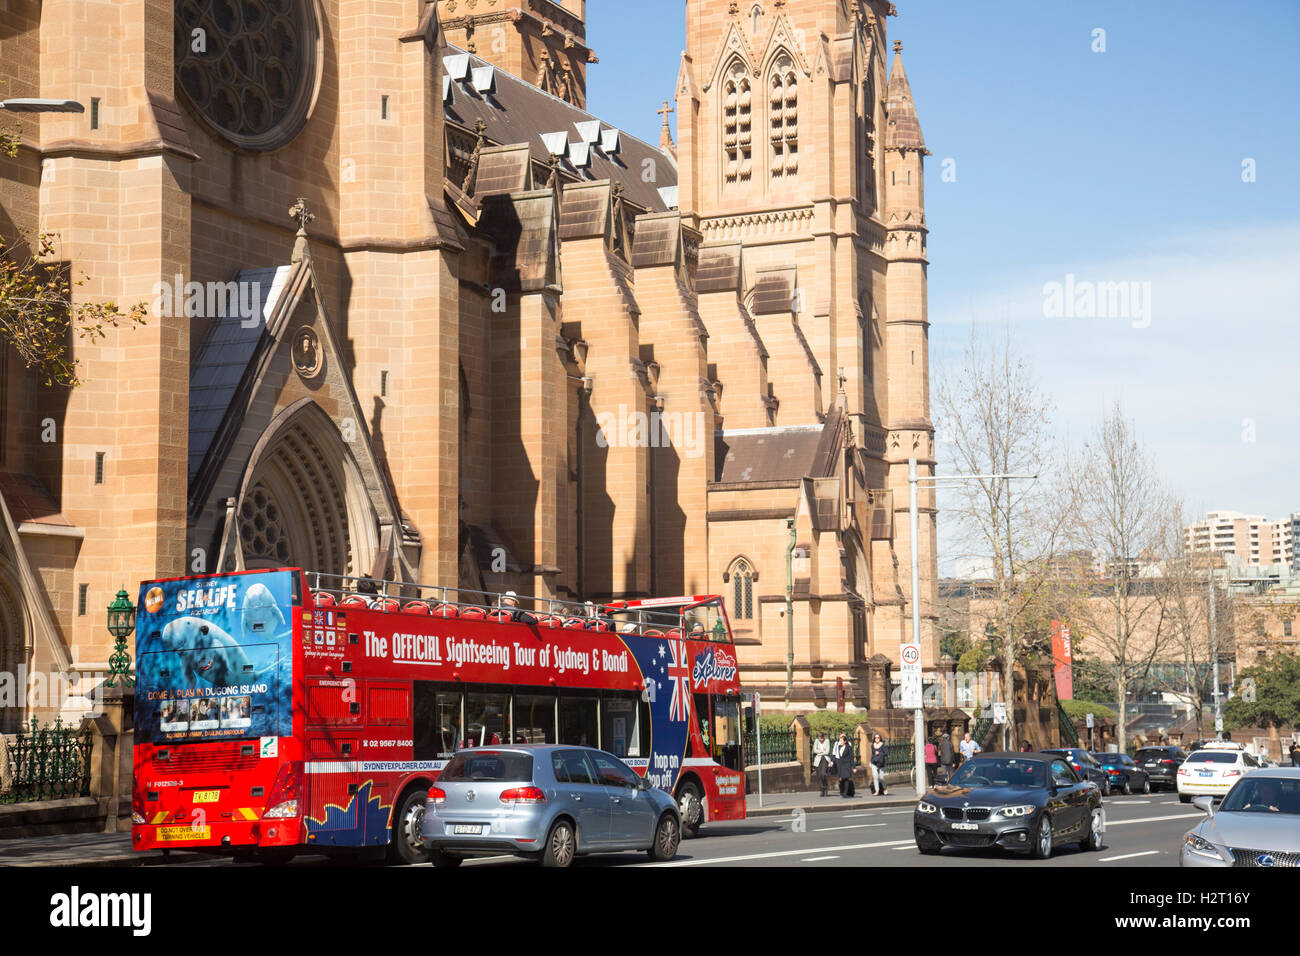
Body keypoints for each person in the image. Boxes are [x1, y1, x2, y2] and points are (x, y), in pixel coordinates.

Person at [833, 733, 854, 798]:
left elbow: (851, 757)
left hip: (847, 764)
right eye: (840, 740)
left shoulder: (849, 747)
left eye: (841, 741)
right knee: (841, 778)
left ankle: (845, 793)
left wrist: (853, 767)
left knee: (846, 778)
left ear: (845, 741)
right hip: (841, 764)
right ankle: (842, 792)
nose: (840, 742)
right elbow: (836, 754)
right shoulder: (838, 746)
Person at [812, 731, 833, 797]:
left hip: (825, 759)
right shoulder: (816, 741)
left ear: (824, 737)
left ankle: (826, 787)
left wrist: (819, 752)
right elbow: (815, 750)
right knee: (819, 775)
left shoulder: (827, 741)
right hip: (818, 760)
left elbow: (827, 751)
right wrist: (821, 751)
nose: (820, 740)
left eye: (821, 738)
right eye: (819, 738)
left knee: (823, 774)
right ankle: (822, 789)